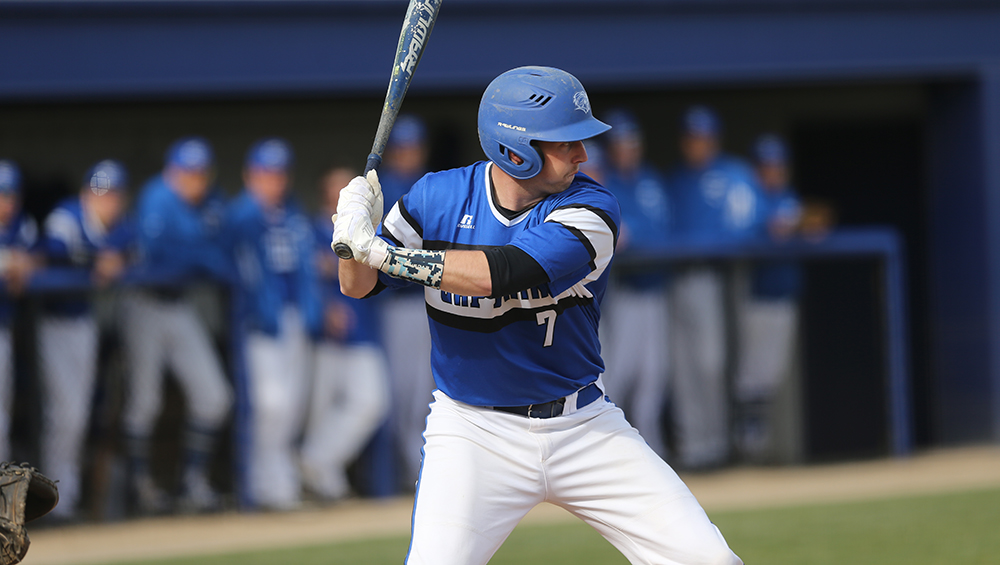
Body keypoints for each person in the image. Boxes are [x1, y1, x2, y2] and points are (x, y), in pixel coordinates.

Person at [333, 66, 742, 565]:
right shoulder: (436, 198)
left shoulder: (593, 207)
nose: (583, 153)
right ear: (514, 149)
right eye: (566, 142)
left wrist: (380, 252)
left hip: (583, 428)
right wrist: (351, 237)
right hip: (473, 433)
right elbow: (356, 287)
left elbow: (502, 273)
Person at [120, 137, 234, 514]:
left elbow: (220, 252)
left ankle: (192, 484)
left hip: (179, 306)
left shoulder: (208, 201)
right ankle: (140, 488)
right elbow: (162, 258)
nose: (195, 181)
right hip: (143, 304)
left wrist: (200, 253)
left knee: (215, 397)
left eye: (200, 174)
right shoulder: (157, 196)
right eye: (187, 173)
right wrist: (200, 252)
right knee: (145, 402)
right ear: (172, 171)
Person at [227, 138, 321, 510]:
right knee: (271, 404)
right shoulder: (240, 216)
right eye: (266, 173)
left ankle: (280, 483)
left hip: (294, 316)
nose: (273, 181)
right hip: (258, 322)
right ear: (251, 175)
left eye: (279, 173)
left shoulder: (293, 213)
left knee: (293, 404)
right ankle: (260, 482)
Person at [37, 159, 132, 521]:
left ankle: (64, 499)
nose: (106, 201)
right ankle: (53, 502)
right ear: (85, 193)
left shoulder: (119, 225)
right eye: (99, 193)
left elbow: (134, 247)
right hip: (49, 325)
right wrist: (97, 260)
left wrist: (117, 259)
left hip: (84, 325)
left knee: (75, 416)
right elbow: (54, 250)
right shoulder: (66, 215)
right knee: (64, 415)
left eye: (112, 195)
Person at [666, 105, 759, 471]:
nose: (697, 144)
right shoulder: (676, 179)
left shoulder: (734, 174)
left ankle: (718, 443)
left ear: (715, 139)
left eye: (703, 137)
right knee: (681, 366)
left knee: (711, 362)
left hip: (717, 277)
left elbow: (748, 225)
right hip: (674, 277)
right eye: (691, 137)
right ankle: (695, 448)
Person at [300, 167, 390, 502]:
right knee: (317, 411)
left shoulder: (374, 229)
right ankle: (324, 479)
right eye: (336, 189)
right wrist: (324, 306)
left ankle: (316, 462)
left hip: (363, 331)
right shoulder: (312, 229)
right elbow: (302, 277)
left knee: (372, 404)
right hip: (322, 337)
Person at [597, 108, 673, 459]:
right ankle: (611, 452)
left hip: (655, 291)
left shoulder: (651, 180)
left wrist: (638, 233)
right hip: (622, 294)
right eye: (621, 144)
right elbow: (617, 236)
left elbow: (664, 230)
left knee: (654, 377)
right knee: (618, 375)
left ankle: (651, 454)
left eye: (632, 142)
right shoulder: (606, 184)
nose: (628, 149)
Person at [734, 133, 803, 462]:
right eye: (767, 166)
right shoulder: (749, 196)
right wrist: (771, 228)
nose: (773, 171)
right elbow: (742, 233)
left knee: (773, 371)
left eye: (778, 165)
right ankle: (744, 445)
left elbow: (800, 223)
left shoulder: (788, 196)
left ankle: (756, 445)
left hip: (783, 294)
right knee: (751, 371)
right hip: (754, 293)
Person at [374, 114, 434, 489]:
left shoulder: (433, 186)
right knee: (395, 396)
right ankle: (396, 478)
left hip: (430, 303)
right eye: (403, 148)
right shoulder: (383, 189)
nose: (409, 155)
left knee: (425, 394)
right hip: (392, 306)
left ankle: (419, 474)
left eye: (414, 148)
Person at [0, 160, 39, 463]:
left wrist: (24, 264)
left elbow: (38, 258)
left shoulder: (22, 225)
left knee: (2, 416)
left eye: (10, 195)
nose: (5, 203)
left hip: (3, 330)